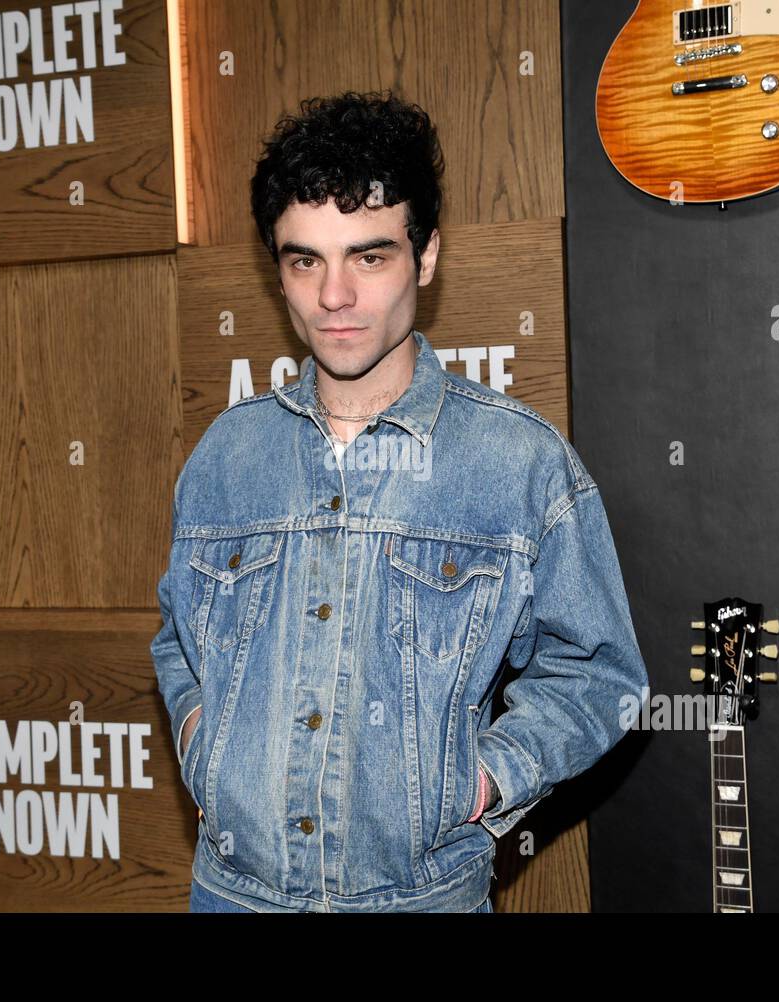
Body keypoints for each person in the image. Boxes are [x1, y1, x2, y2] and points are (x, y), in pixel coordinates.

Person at [151, 90, 648, 913]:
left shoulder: (518, 463)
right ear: (277, 272)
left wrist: (483, 784)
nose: (334, 296)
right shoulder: (225, 458)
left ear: (425, 257)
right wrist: (205, 743)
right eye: (305, 259)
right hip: (231, 897)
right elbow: (179, 637)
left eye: (369, 256)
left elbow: (599, 674)